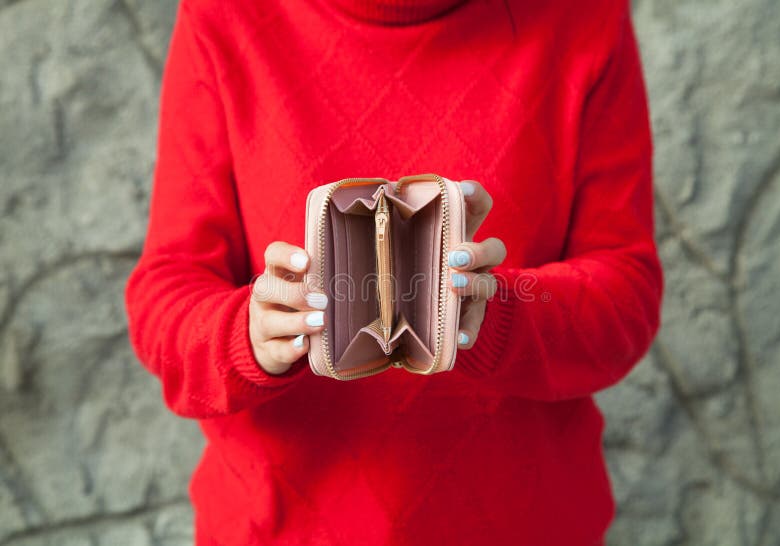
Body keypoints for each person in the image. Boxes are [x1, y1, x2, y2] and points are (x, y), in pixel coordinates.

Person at [125, 0, 663, 543]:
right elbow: (165, 297)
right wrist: (250, 334)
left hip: (525, 521)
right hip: (280, 525)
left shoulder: (584, 19)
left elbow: (627, 296)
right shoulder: (223, 18)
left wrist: (496, 314)